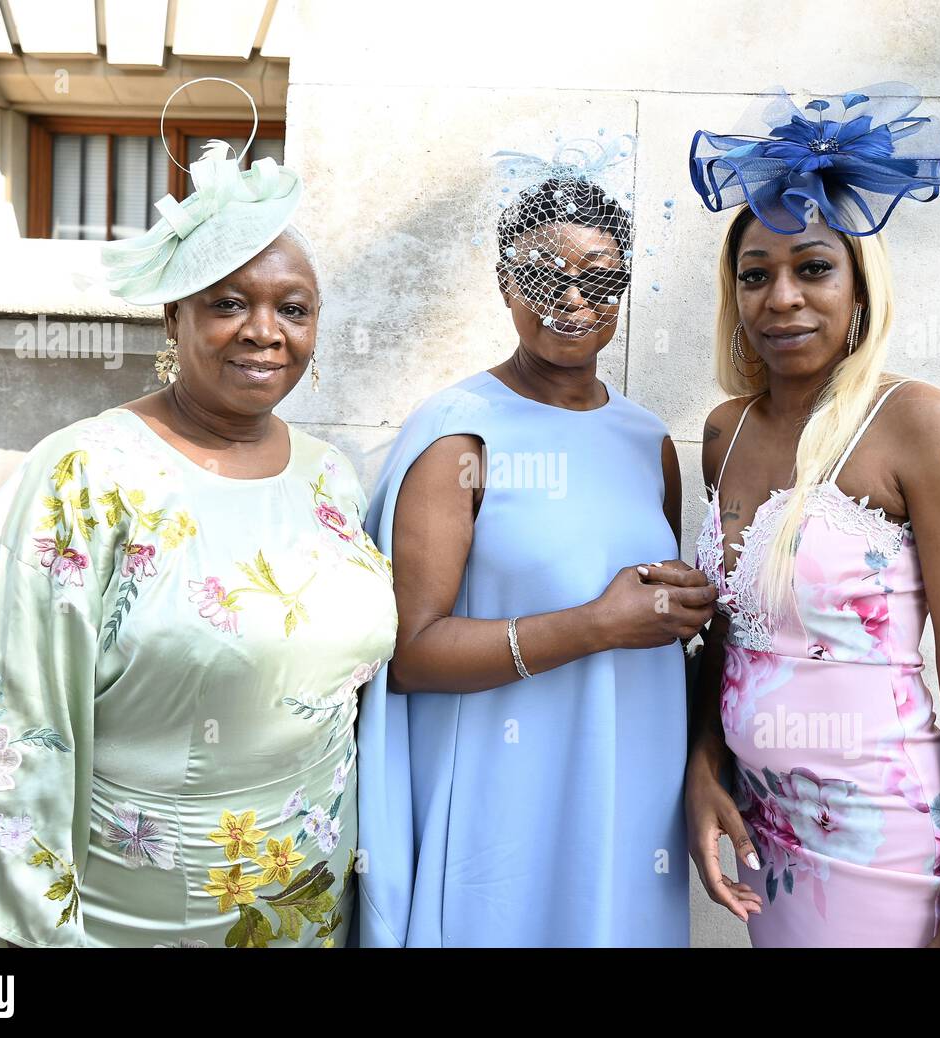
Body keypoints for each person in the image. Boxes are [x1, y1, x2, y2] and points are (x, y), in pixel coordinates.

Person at [0, 121, 397, 948]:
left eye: (293, 309)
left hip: (306, 903)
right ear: (174, 316)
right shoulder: (85, 477)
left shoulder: (328, 475)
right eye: (228, 302)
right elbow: (16, 718)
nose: (264, 330)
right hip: (131, 917)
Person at [356, 137, 724, 947]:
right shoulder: (460, 437)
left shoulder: (647, 441)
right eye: (541, 273)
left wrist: (681, 612)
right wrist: (597, 624)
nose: (571, 295)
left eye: (598, 276)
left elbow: (648, 604)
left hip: (627, 791)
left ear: (624, 289)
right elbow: (409, 654)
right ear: (503, 283)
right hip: (502, 796)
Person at [685, 85, 940, 947]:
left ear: (859, 283)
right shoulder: (727, 431)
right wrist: (703, 767)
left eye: (813, 268)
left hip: (885, 842)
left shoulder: (926, 428)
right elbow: (731, 634)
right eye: (756, 275)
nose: (782, 297)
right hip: (763, 834)